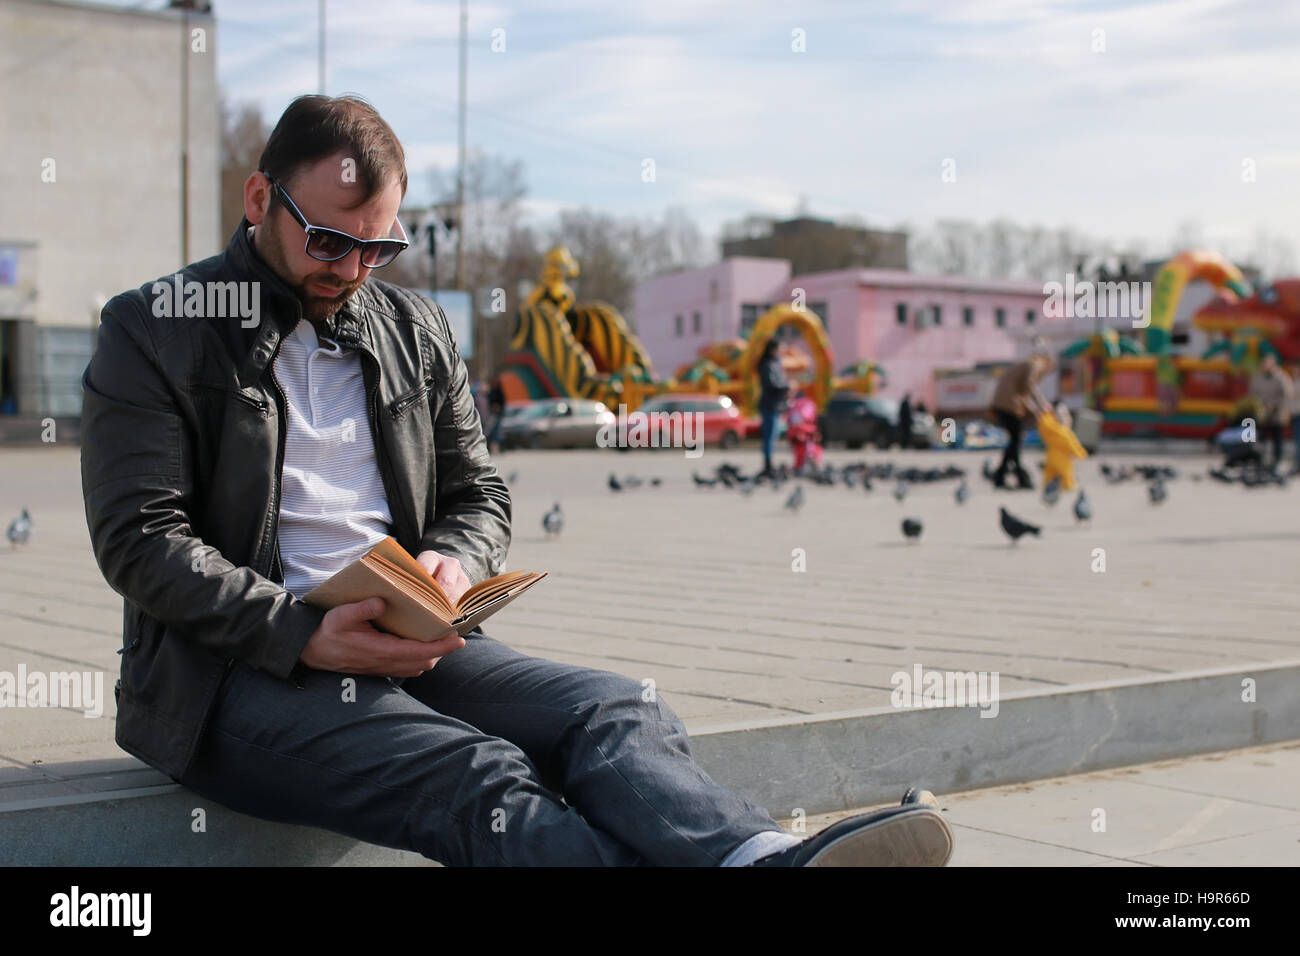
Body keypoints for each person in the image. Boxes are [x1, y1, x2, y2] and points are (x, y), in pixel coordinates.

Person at [79, 94, 952, 867]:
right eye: (328, 238)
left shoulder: (412, 329)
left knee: (615, 710)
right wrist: (299, 635)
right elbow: (142, 540)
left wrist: (452, 562)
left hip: (412, 644)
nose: (348, 269)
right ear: (260, 198)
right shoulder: (156, 327)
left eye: (377, 247)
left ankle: (762, 859)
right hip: (230, 678)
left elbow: (481, 497)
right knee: (474, 773)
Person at [990, 352, 1053, 489]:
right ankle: (1016, 475)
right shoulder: (1034, 364)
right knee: (1016, 440)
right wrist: (1042, 405)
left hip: (1002, 403)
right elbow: (1029, 385)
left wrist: (1036, 411)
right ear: (1046, 363)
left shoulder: (1023, 366)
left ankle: (1002, 475)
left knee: (1014, 441)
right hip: (1008, 405)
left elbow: (1023, 394)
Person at [1248, 353, 1293, 471]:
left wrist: (1276, 405)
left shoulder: (1281, 377)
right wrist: (1259, 406)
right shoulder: (1257, 377)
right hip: (1262, 413)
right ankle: (1259, 460)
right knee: (1259, 437)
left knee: (1277, 439)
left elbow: (1287, 395)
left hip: (1277, 413)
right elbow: (1253, 394)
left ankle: (1277, 461)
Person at [756, 338, 790, 478]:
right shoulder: (768, 365)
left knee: (773, 436)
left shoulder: (775, 363)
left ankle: (769, 463)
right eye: (779, 348)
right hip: (770, 405)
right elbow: (773, 384)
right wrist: (787, 386)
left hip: (775, 405)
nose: (781, 351)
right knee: (769, 437)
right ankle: (768, 465)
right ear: (773, 349)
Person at [785, 389, 824, 474]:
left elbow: (791, 420)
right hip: (810, 429)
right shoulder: (810, 403)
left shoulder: (794, 404)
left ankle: (799, 465)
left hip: (796, 430)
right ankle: (814, 461)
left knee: (799, 448)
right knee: (812, 446)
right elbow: (815, 418)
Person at [486, 376, 507, 452]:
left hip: (498, 414)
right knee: (491, 431)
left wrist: (498, 407)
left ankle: (501, 447)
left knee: (498, 432)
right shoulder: (492, 392)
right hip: (492, 414)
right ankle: (489, 447)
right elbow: (489, 401)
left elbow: (503, 401)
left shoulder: (499, 392)